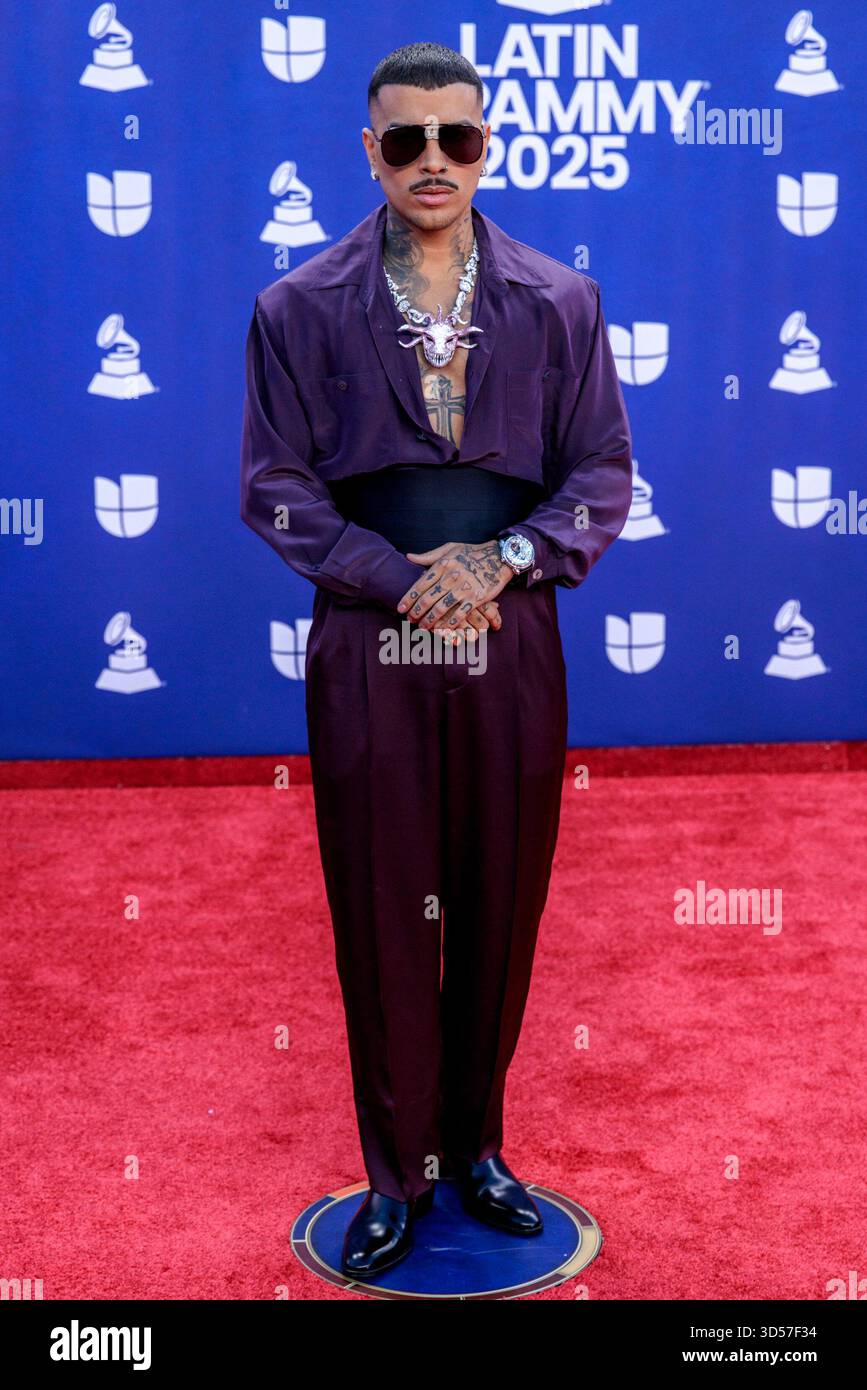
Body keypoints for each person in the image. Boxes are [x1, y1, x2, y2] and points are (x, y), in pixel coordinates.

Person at [240, 41, 633, 1278]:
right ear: (369, 151)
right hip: (371, 643)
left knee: (500, 898)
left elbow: (601, 475)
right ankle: (397, 1171)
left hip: (511, 635)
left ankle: (479, 1150)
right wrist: (399, 576)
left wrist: (504, 558)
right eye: (404, 139)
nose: (430, 161)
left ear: (486, 146)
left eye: (454, 138)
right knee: (384, 904)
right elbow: (276, 489)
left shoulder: (561, 300)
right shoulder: (297, 306)